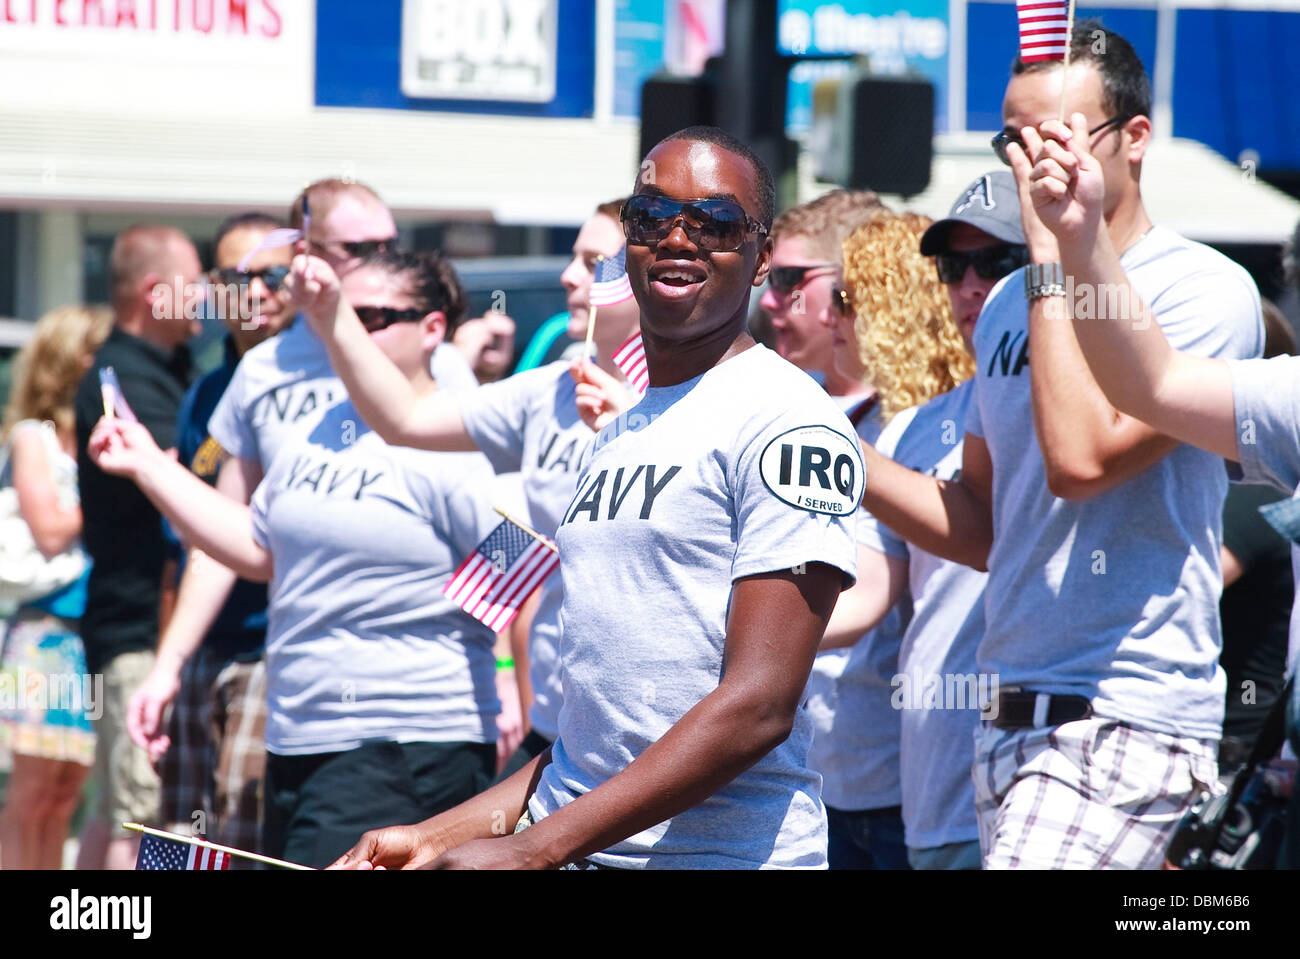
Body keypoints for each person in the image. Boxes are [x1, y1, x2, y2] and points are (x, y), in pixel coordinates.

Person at [327, 125, 862, 870]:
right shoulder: (619, 427)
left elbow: (760, 705)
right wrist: (436, 833)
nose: (679, 238)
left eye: (713, 222)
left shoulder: (790, 418)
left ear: (762, 253)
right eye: (651, 217)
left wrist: (533, 851)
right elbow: (591, 744)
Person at [846, 22, 1263, 869]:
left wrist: (1048, 256)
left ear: (1135, 138)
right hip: (999, 724)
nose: (1032, 159)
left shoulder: (1203, 289)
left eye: (1060, 134)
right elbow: (981, 525)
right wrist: (835, 453)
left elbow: (1082, 462)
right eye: (1016, 137)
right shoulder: (1006, 306)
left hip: (1126, 716)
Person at [89, 249, 504, 868]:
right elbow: (257, 548)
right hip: (300, 736)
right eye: (328, 314)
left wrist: (506, 679)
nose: (341, 329)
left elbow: (522, 567)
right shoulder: (323, 427)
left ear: (433, 329)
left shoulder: (452, 435)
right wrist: (148, 464)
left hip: (405, 742)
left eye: (369, 317)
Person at [295, 200, 632, 779]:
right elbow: (404, 419)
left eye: (591, 261)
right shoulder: (547, 390)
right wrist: (332, 314)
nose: (568, 275)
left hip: (642, 741)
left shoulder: (695, 401)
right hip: (554, 733)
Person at [822, 172, 1028, 870]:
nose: (971, 285)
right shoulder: (910, 428)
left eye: (999, 262)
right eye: (952, 266)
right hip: (932, 789)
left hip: (1047, 776)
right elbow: (872, 588)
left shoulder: (1091, 408)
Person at [131, 213, 296, 863]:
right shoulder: (204, 391)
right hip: (200, 648)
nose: (255, 291)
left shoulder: (325, 386)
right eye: (236, 276)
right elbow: (187, 547)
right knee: (180, 833)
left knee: (240, 829)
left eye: (273, 273)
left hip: (269, 651)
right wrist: (166, 665)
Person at [74, 224, 203, 870]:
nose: (210, 298)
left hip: (138, 627)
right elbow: (181, 479)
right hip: (136, 631)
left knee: (114, 804)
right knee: (140, 812)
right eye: (197, 284)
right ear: (156, 292)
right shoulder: (120, 379)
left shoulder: (168, 369)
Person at [0, 305, 113, 869]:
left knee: (68, 793)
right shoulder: (32, 437)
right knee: (33, 793)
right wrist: (113, 491)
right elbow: (48, 529)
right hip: (45, 636)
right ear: (73, 359)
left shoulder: (99, 432)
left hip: (93, 632)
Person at [761, 188, 882, 403]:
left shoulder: (924, 415)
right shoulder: (778, 404)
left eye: (786, 277)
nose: (767, 301)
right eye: (770, 280)